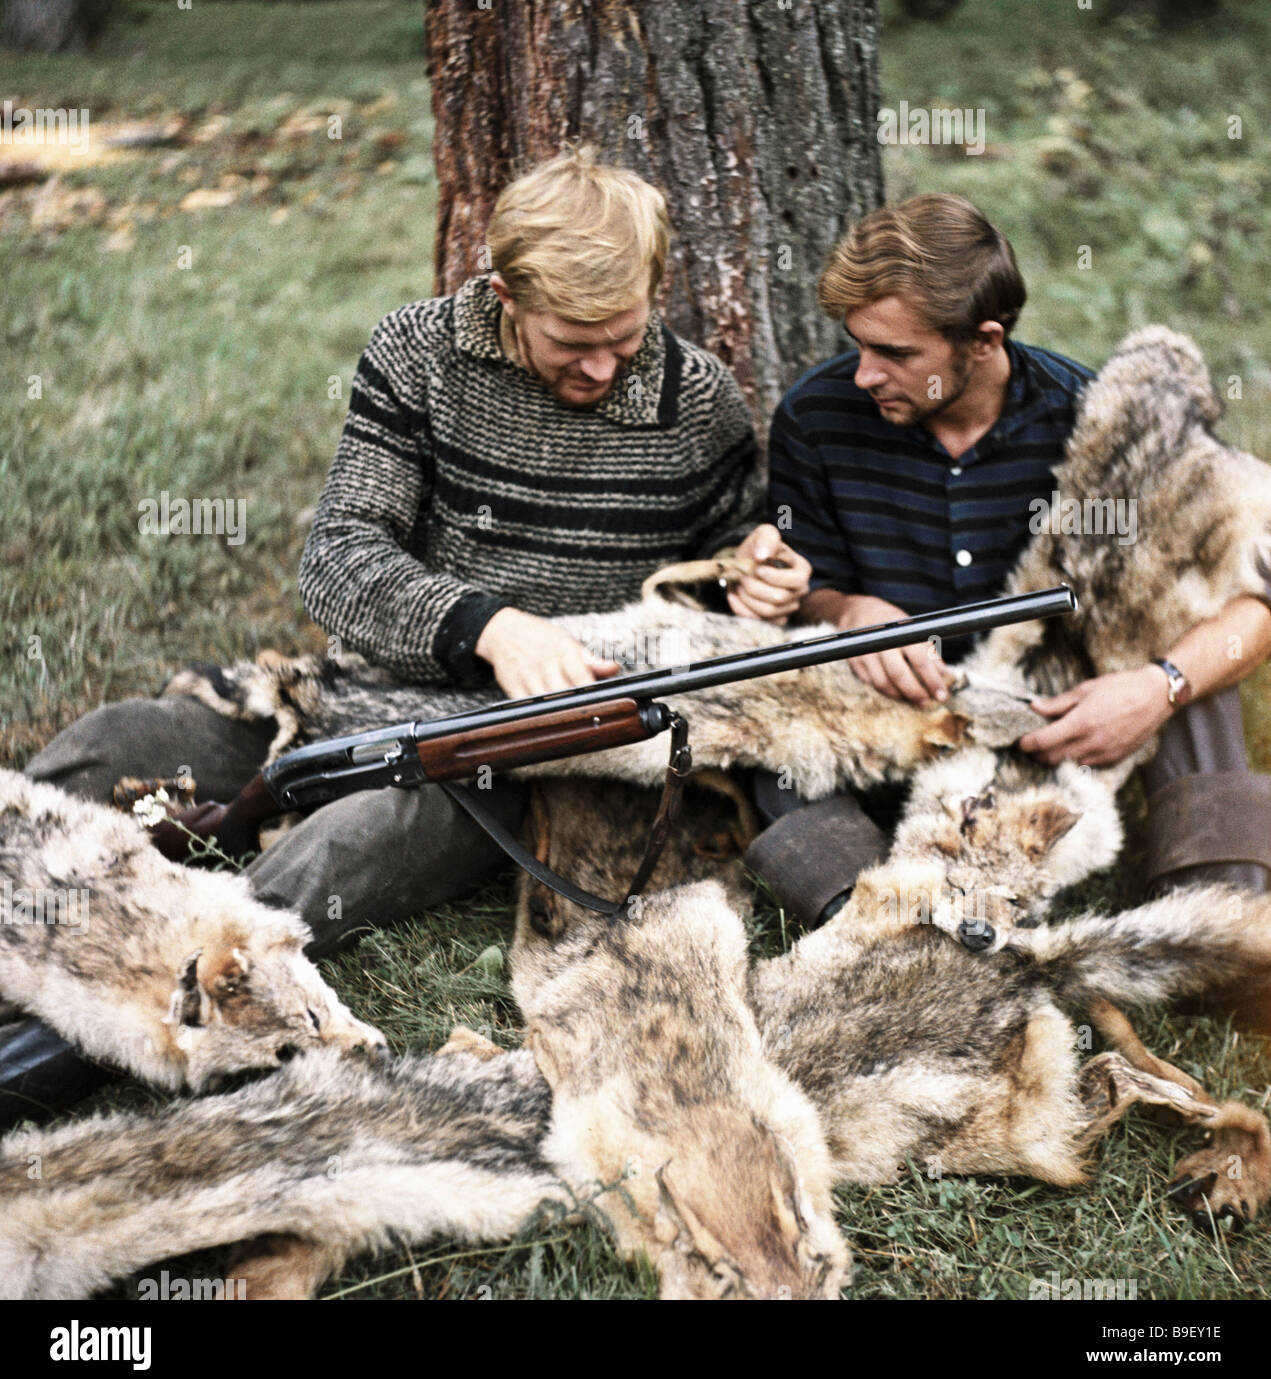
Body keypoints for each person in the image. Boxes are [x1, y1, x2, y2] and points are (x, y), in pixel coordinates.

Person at [8, 148, 809, 1119]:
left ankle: (95, 1033)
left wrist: (756, 577)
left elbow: (727, 552)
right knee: (109, 747)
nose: (601, 365)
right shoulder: (418, 354)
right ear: (508, 293)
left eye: (624, 336)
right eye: (572, 340)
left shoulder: (699, 401)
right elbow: (339, 556)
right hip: (356, 688)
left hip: (514, 750)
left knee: (335, 855)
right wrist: (489, 628)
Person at [746, 192, 1271, 929]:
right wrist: (847, 611)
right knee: (766, 685)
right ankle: (871, 920)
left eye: (894, 354)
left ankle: (1223, 921)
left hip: (1064, 718)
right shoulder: (814, 417)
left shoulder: (1099, 423)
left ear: (983, 340)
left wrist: (1159, 688)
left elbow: (1255, 601)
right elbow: (808, 585)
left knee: (1195, 673)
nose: (864, 374)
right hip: (899, 716)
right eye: (857, 345)